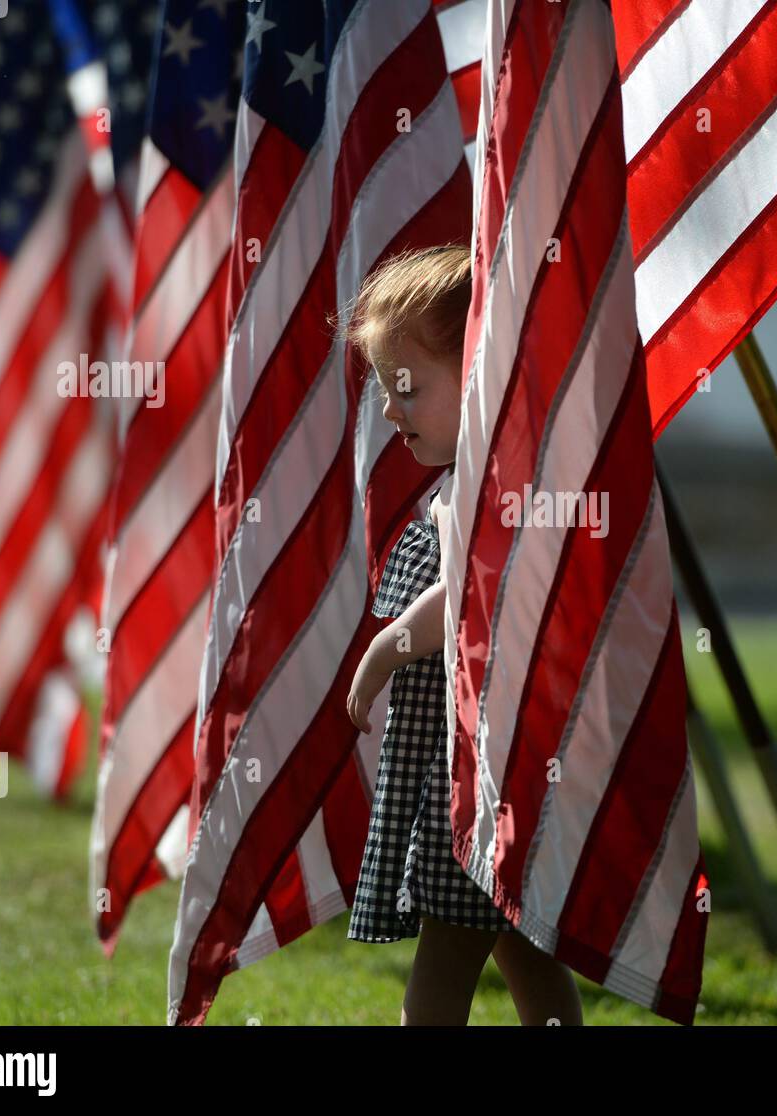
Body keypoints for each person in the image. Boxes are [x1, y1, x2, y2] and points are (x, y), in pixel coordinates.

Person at [343, 244, 583, 1027]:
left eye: (405, 385)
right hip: (491, 764)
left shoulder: (482, 489)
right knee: (524, 947)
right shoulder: (479, 479)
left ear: (475, 370)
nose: (389, 408)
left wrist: (387, 648)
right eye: (384, 388)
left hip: (482, 776)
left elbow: (468, 594)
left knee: (440, 976)